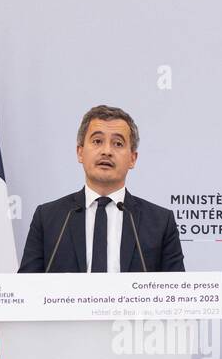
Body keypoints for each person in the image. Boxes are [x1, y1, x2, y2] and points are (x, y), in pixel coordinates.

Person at [18, 105, 185, 273]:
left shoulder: (160, 223)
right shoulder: (48, 218)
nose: (107, 151)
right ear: (80, 153)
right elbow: (26, 288)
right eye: (97, 141)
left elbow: (177, 294)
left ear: (132, 159)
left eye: (118, 143)